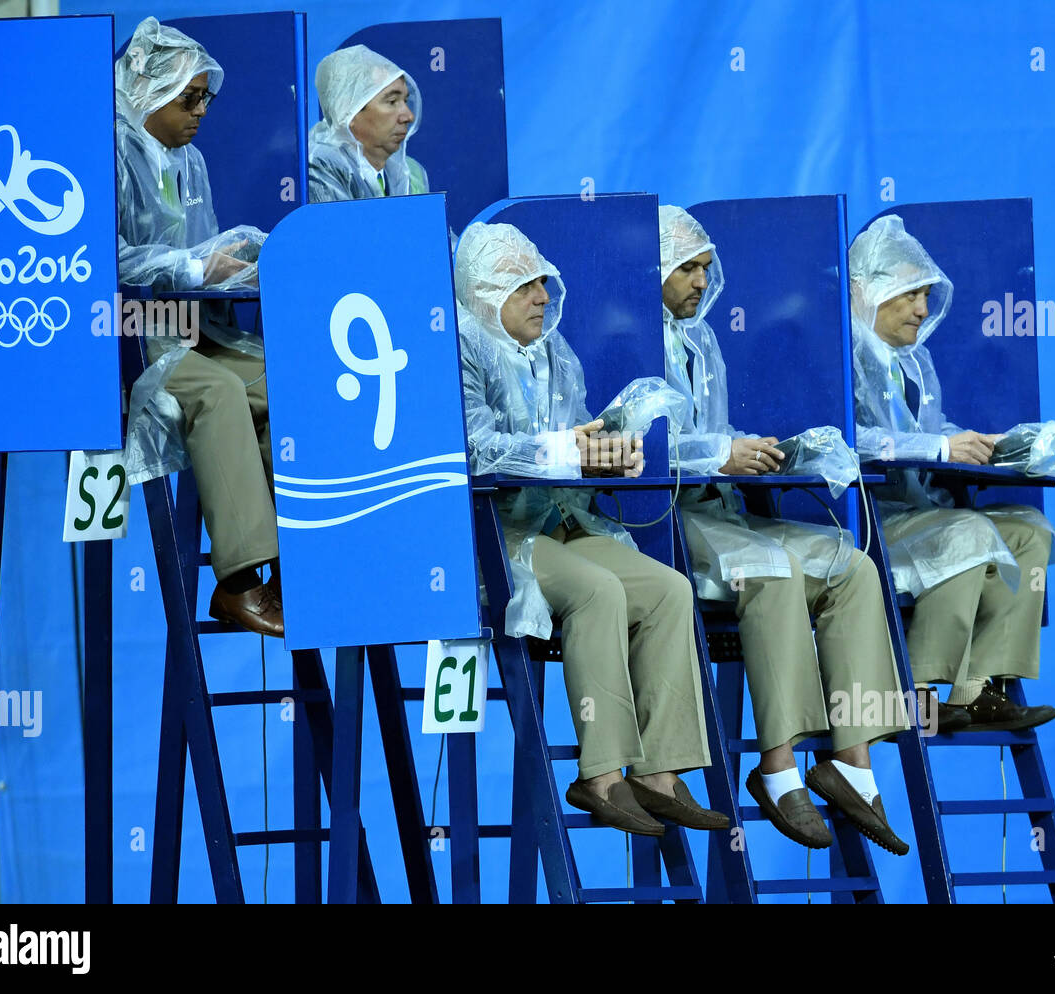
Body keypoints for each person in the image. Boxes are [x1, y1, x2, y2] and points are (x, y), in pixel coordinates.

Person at [455, 221, 725, 837]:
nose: (543, 298)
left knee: (667, 591)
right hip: (498, 535)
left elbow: (574, 437)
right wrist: (565, 452)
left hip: (564, 520)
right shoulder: (461, 349)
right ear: (483, 293)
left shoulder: (552, 350)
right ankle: (601, 774)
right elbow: (476, 453)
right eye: (525, 286)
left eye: (544, 284)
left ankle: (659, 774)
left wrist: (608, 451)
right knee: (598, 590)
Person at [659, 205, 913, 855]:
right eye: (685, 268)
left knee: (849, 565)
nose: (698, 281)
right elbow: (637, 447)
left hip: (721, 509)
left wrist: (769, 450)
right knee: (770, 569)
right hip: (663, 519)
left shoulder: (704, 341)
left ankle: (851, 763)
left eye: (705, 269)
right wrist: (720, 456)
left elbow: (709, 436)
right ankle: (778, 768)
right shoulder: (631, 338)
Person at [849, 215, 1055, 730]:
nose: (922, 309)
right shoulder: (843, 358)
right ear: (868, 291)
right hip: (869, 520)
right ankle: (923, 693)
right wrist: (939, 446)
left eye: (925, 295)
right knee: (968, 532)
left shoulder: (914, 360)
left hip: (923, 512)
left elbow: (928, 427)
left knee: (1027, 531)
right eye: (909, 295)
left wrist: (983, 444)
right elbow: (849, 439)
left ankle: (977, 688)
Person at [116, 17, 282, 636]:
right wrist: (189, 265)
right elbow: (104, 261)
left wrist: (228, 266)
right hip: (128, 332)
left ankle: (294, 567)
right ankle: (238, 583)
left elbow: (200, 248)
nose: (202, 111)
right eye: (190, 97)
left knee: (280, 382)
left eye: (207, 97)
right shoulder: (105, 151)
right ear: (147, 91)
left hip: (190, 323)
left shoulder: (190, 162)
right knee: (218, 393)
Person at [308, 46, 428, 204]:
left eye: (405, 101)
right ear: (346, 109)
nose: (408, 116)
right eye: (392, 102)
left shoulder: (412, 173)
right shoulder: (321, 167)